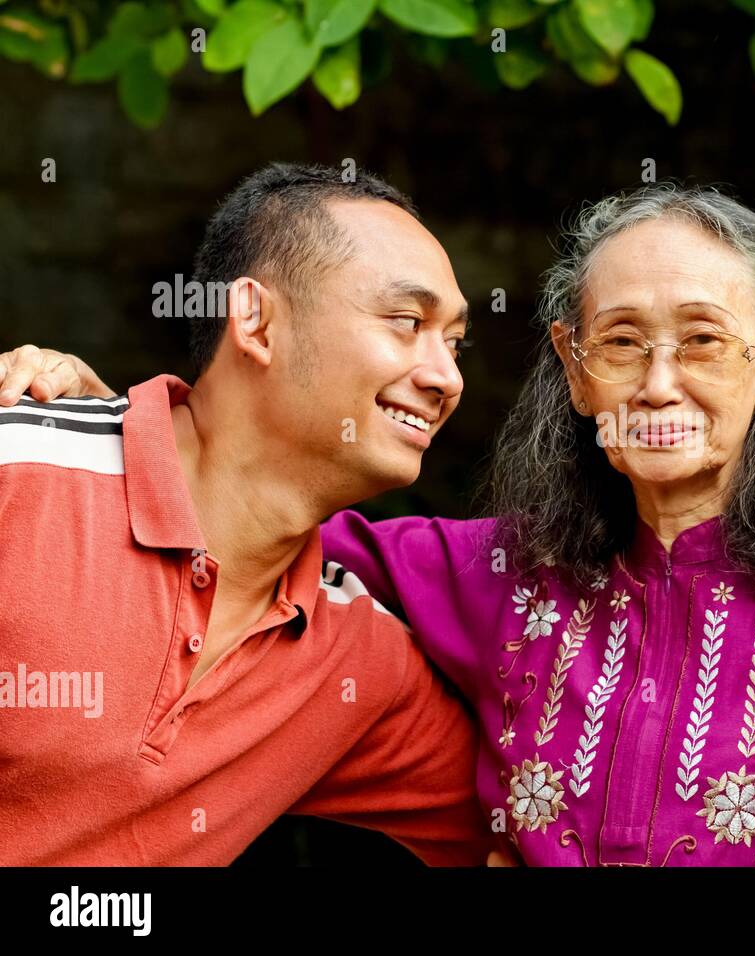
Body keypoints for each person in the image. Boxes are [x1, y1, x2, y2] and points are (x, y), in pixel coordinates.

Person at [2, 184, 755, 867]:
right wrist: (93, 409)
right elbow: (246, 510)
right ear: (571, 367)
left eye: (702, 342)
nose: (655, 386)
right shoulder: (487, 573)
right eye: (619, 345)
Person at [0, 163, 491, 865]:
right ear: (256, 321)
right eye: (407, 323)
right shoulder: (18, 484)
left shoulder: (357, 661)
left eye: (454, 341)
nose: (447, 377)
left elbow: (542, 823)